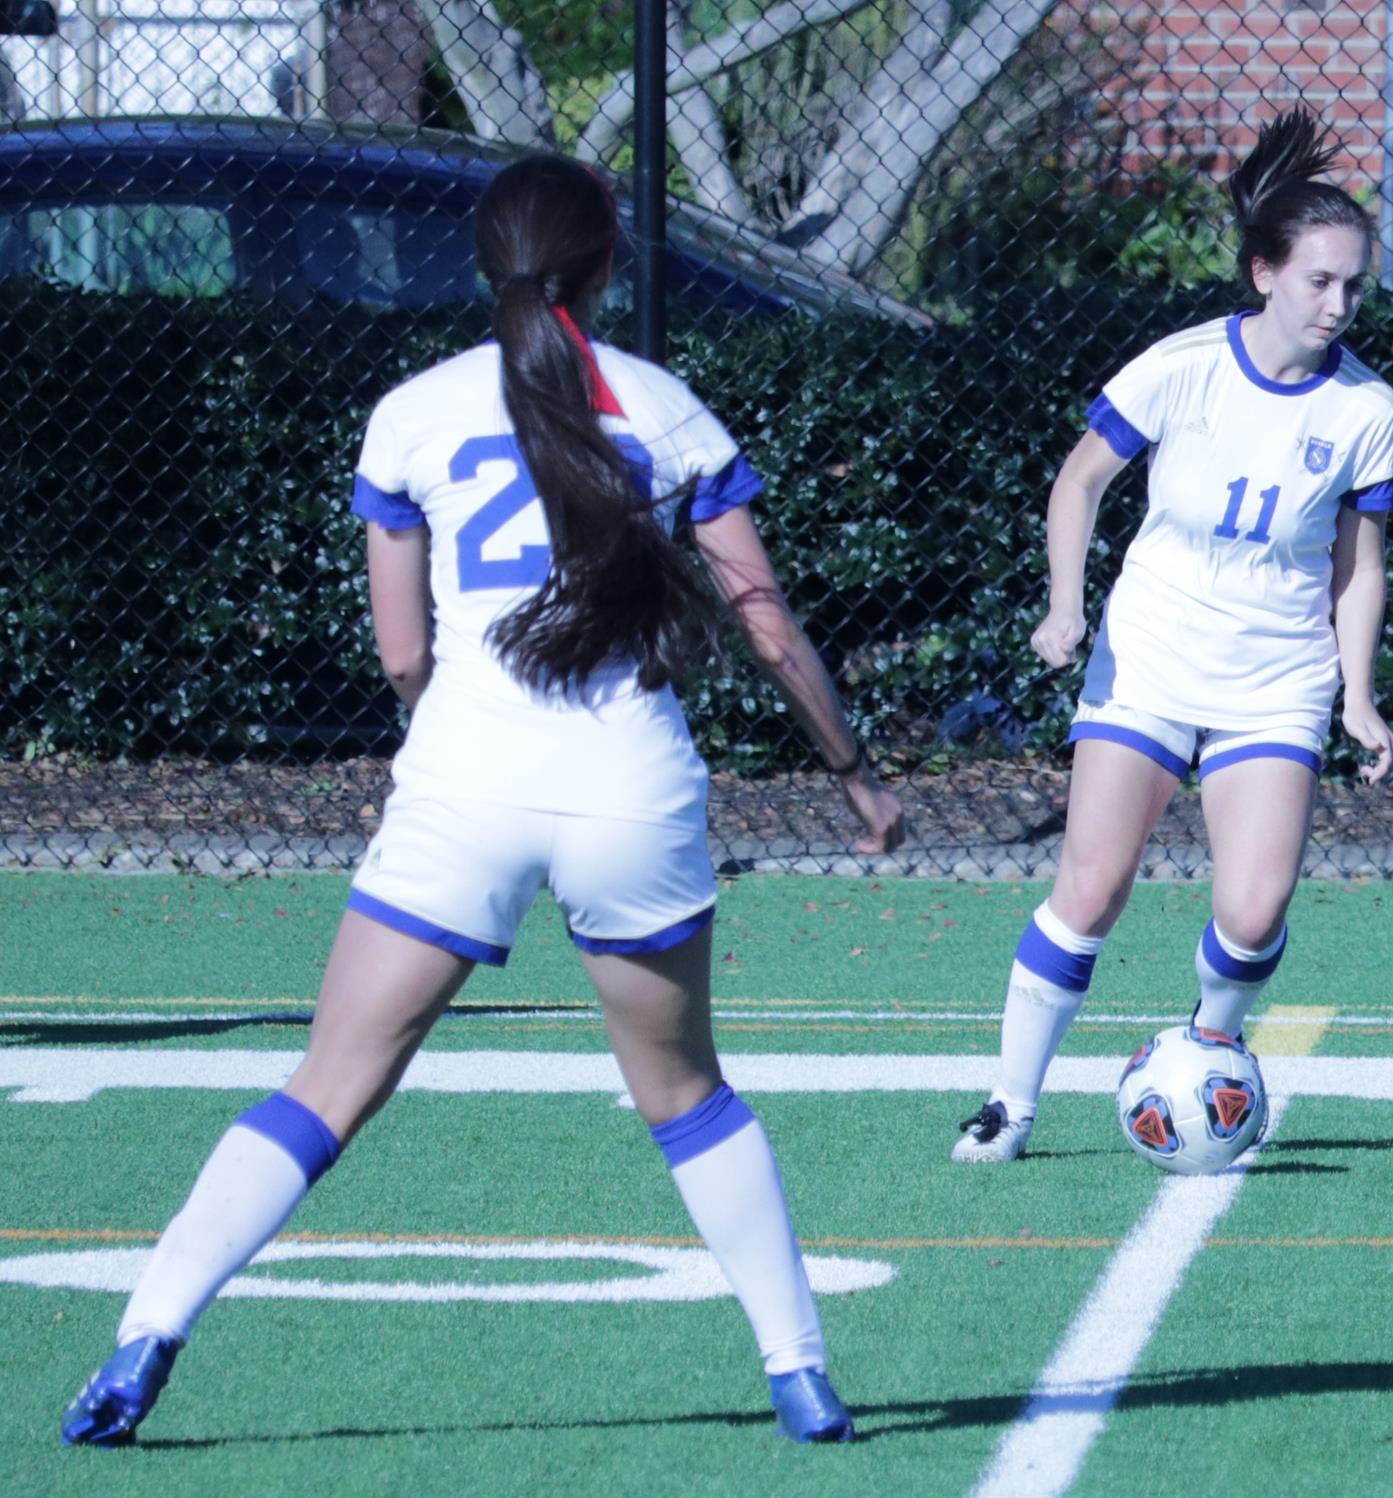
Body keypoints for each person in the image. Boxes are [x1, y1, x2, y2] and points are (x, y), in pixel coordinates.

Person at [59, 155, 903, 1446]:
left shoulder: (411, 411)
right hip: (632, 788)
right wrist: (855, 777)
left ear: (478, 263)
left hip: (463, 784)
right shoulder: (669, 407)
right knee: (688, 1095)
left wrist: (451, 756)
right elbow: (767, 625)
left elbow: (404, 657)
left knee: (327, 1082)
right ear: (611, 262)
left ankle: (146, 1333)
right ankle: (800, 1372)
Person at [951, 108, 1393, 1163]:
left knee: (1252, 909)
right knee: (1092, 887)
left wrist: (1357, 691)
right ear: (1262, 275)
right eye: (1316, 282)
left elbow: (1357, 564)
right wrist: (1064, 605)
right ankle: (1008, 1104)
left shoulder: (1367, 409)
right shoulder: (1184, 365)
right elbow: (1079, 480)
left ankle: (1206, 1045)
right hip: (1150, 656)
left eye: (1351, 284)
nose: (1337, 303)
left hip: (1272, 676)